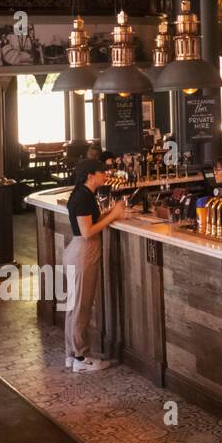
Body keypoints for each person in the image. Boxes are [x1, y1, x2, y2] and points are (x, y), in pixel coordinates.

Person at [64, 159, 126, 373]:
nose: (105, 175)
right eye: (102, 172)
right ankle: (81, 357)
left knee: (74, 306)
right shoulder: (82, 197)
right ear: (91, 175)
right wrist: (114, 216)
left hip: (80, 251)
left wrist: (111, 212)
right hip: (83, 251)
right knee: (81, 307)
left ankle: (72, 354)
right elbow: (87, 231)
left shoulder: (83, 194)